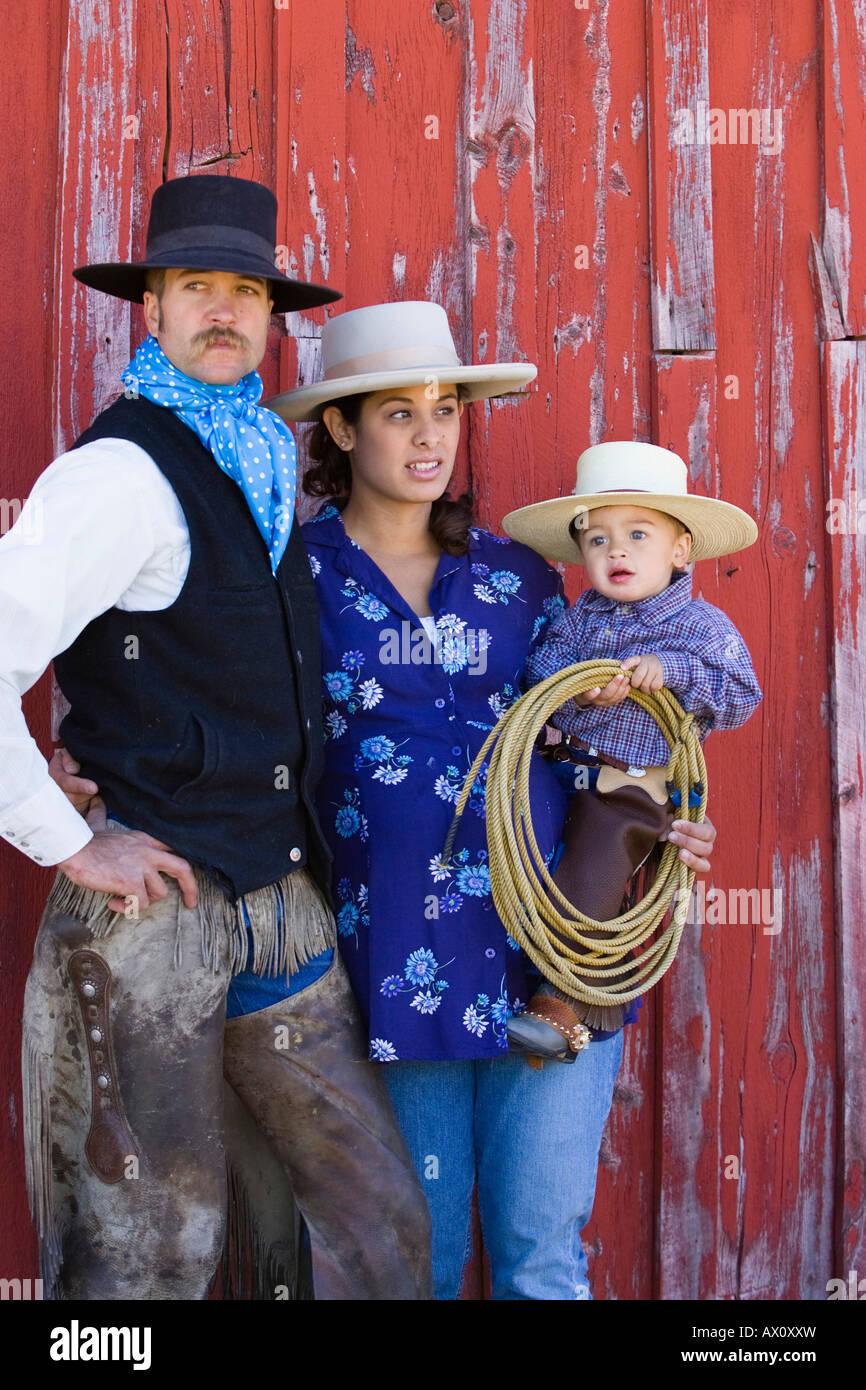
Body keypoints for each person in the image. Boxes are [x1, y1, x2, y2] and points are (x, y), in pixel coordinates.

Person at [1, 174, 432, 1300]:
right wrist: (65, 838)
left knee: (376, 1225)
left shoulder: (259, 454)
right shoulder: (116, 475)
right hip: (149, 914)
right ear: (151, 307)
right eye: (197, 286)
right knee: (142, 1260)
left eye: (246, 288)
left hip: (277, 897)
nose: (224, 311)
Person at [267, 300, 719, 1300]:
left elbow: (597, 736)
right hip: (387, 956)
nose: (430, 437)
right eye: (397, 414)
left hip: (547, 941)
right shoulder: (294, 576)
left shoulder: (516, 578)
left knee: (538, 1258)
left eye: (444, 411)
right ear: (340, 429)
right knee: (409, 1263)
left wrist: (660, 814)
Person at [502, 441, 763, 1059]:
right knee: (530, 859)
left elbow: (739, 695)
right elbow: (540, 677)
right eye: (598, 539)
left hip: (633, 788)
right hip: (561, 775)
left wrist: (669, 671)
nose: (615, 550)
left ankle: (562, 1005)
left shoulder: (700, 629)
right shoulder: (580, 620)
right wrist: (579, 696)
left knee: (593, 864)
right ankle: (571, 992)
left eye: (638, 534)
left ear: (680, 550)